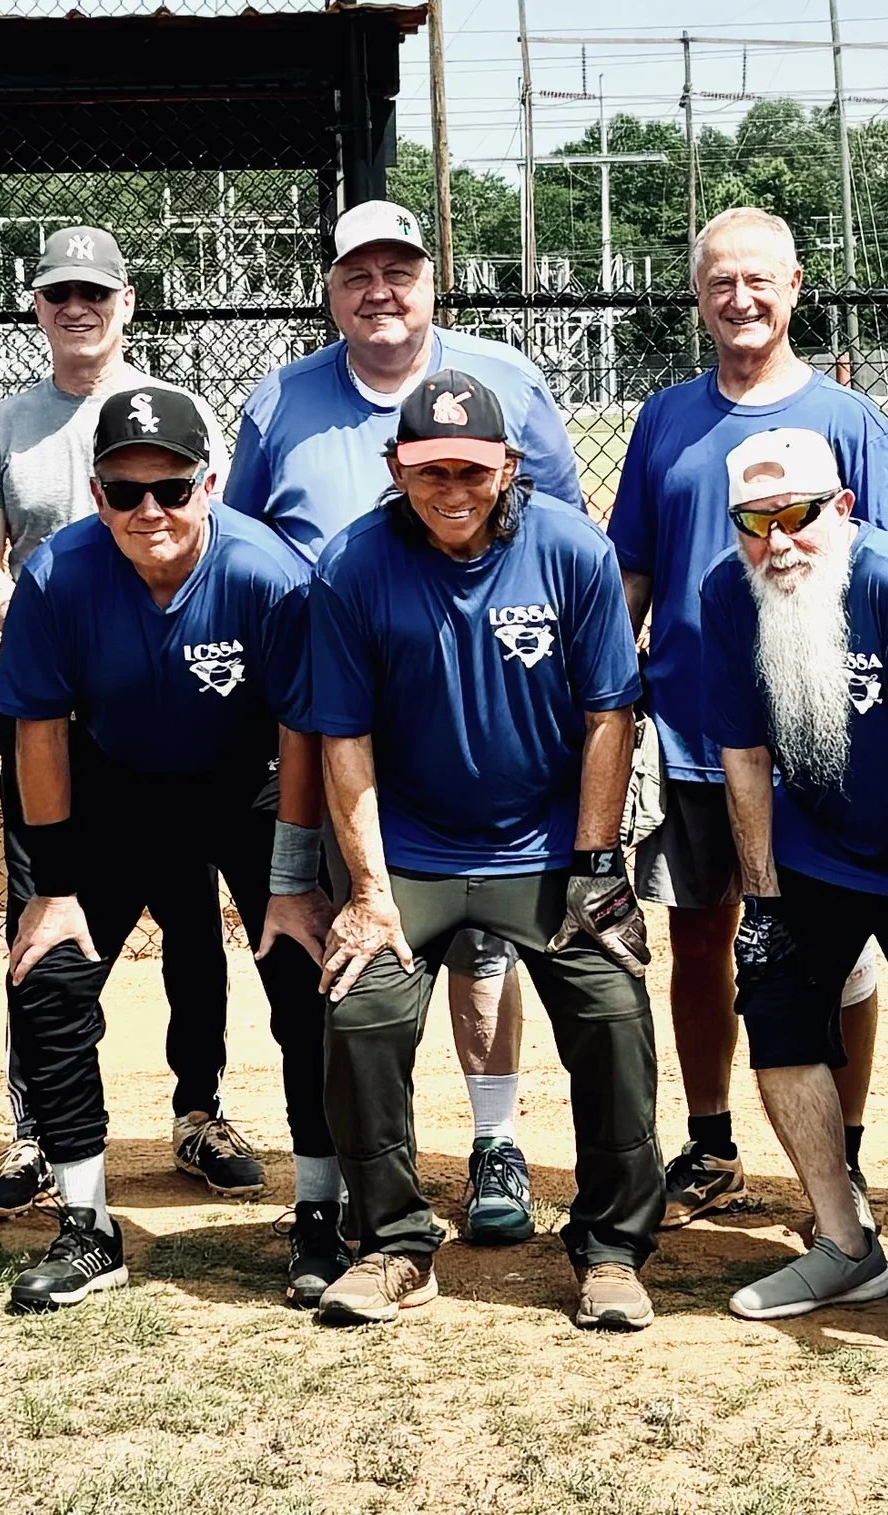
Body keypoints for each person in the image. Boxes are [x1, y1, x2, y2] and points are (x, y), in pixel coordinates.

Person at [230, 200, 578, 1243]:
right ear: (331, 290)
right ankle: (352, 1175)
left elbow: (560, 526)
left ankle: (493, 1141)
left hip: (474, 702)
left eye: (400, 270)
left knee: (483, 949)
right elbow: (243, 539)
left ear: (433, 281)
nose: (380, 291)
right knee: (360, 935)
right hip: (335, 718)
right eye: (357, 274)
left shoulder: (504, 381)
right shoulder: (281, 400)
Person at [307, 369, 661, 1330]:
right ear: (397, 469)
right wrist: (370, 890)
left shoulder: (572, 550)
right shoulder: (354, 566)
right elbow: (345, 738)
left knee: (611, 1001)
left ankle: (612, 1248)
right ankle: (393, 1244)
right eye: (429, 470)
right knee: (363, 1003)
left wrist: (598, 867)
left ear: (508, 466)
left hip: (546, 848)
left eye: (471, 468)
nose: (451, 489)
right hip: (414, 850)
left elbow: (608, 713)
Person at [606, 208, 888, 1230]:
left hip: (827, 746)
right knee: (703, 936)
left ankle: (846, 1149)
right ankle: (708, 1141)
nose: (740, 301)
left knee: (845, 956)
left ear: (795, 288)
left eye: (759, 282)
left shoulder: (849, 420)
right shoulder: (666, 418)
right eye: (718, 285)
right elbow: (636, 570)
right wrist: (614, 695)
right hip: (701, 729)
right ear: (696, 296)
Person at [0, 387, 339, 1311]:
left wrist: (296, 881)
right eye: (124, 489)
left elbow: (304, 731)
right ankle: (86, 1223)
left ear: (210, 485)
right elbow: (37, 728)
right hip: (115, 787)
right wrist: (53, 885)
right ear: (95, 492)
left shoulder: (268, 572)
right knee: (52, 973)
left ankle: (319, 1209)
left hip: (247, 783)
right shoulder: (59, 575)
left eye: (173, 488)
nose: (150, 510)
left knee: (307, 971)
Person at [0, 225, 255, 1220]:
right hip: (51, 711)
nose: (75, 307)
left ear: (127, 300)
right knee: (43, 910)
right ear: (36, 307)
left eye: (94, 292)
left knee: (189, 913)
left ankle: (200, 1109)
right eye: (57, 294)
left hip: (167, 702)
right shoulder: (7, 426)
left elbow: (211, 541)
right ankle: (37, 1128)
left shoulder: (179, 409)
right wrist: (59, 650)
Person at [698, 427, 888, 1364]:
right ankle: (844, 1241)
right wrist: (764, 904)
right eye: (756, 522)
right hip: (817, 850)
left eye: (798, 516)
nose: (779, 543)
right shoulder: (726, 592)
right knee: (777, 997)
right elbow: (743, 755)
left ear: (843, 509)